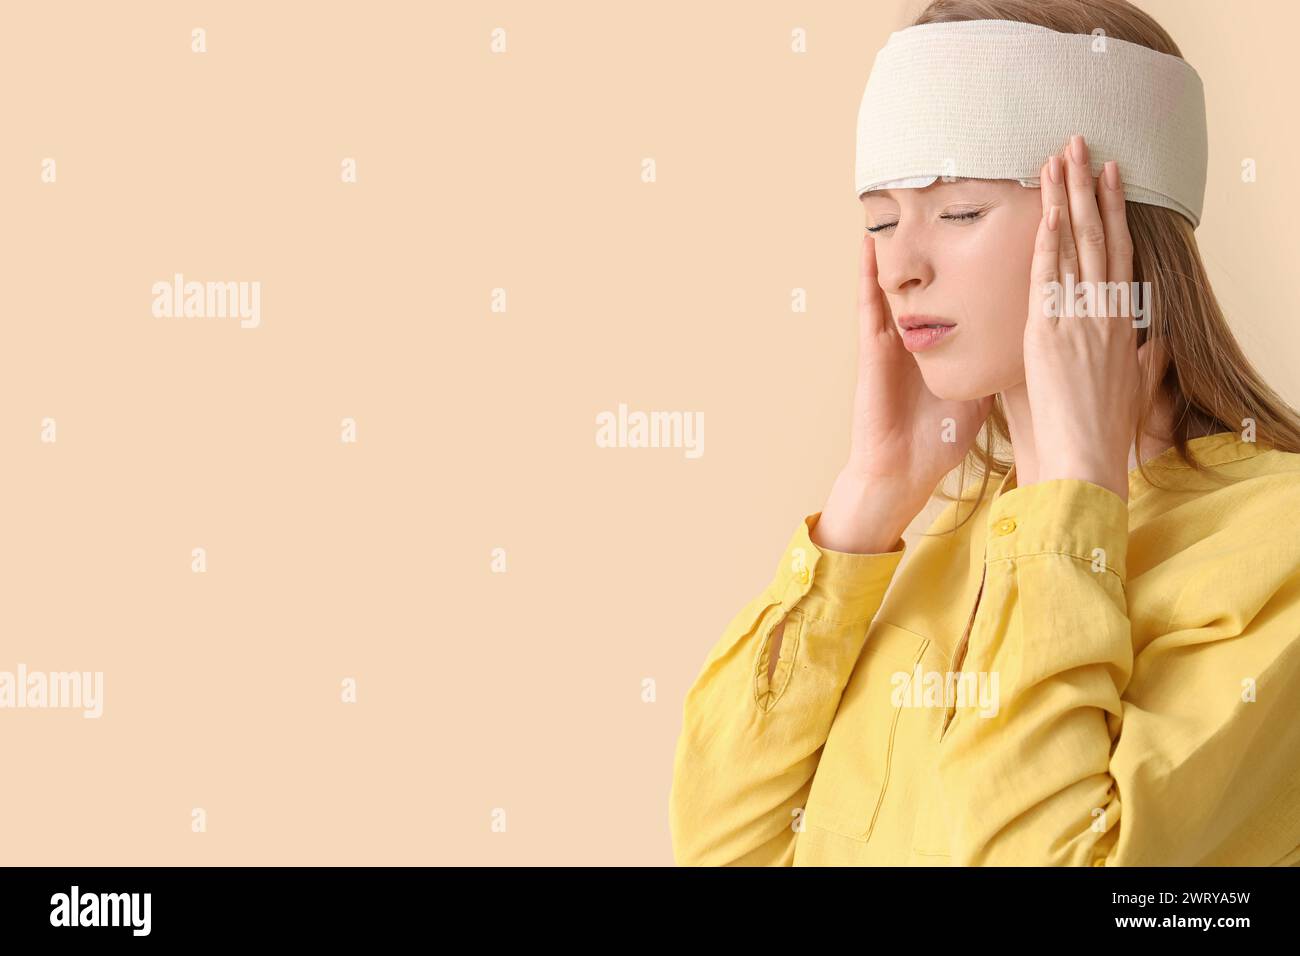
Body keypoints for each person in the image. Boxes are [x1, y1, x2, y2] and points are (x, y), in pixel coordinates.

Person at [669, 0, 1300, 866]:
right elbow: (720, 847)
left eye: (958, 211)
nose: (901, 266)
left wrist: (1075, 494)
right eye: (881, 219)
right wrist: (868, 498)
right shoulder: (936, 537)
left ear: (1115, 234)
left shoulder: (1278, 551)